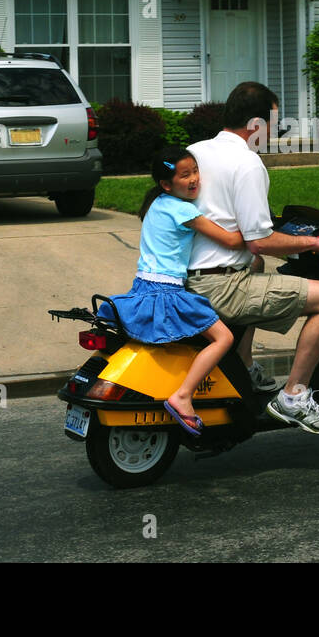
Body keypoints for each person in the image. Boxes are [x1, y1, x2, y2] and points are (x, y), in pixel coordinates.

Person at [187, 82, 319, 434]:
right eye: (274, 125)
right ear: (255, 125)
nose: (274, 134)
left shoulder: (194, 152)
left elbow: (244, 241)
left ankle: (243, 368)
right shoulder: (248, 163)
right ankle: (294, 396)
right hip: (220, 287)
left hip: (188, 278)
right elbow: (259, 241)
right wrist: (314, 243)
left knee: (255, 267)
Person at [98, 146, 245, 435]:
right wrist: (256, 233)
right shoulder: (183, 210)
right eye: (185, 175)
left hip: (142, 286)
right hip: (166, 292)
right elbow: (229, 241)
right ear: (167, 184)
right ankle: (183, 395)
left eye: (195, 171)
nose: (194, 180)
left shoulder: (157, 202)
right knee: (223, 337)